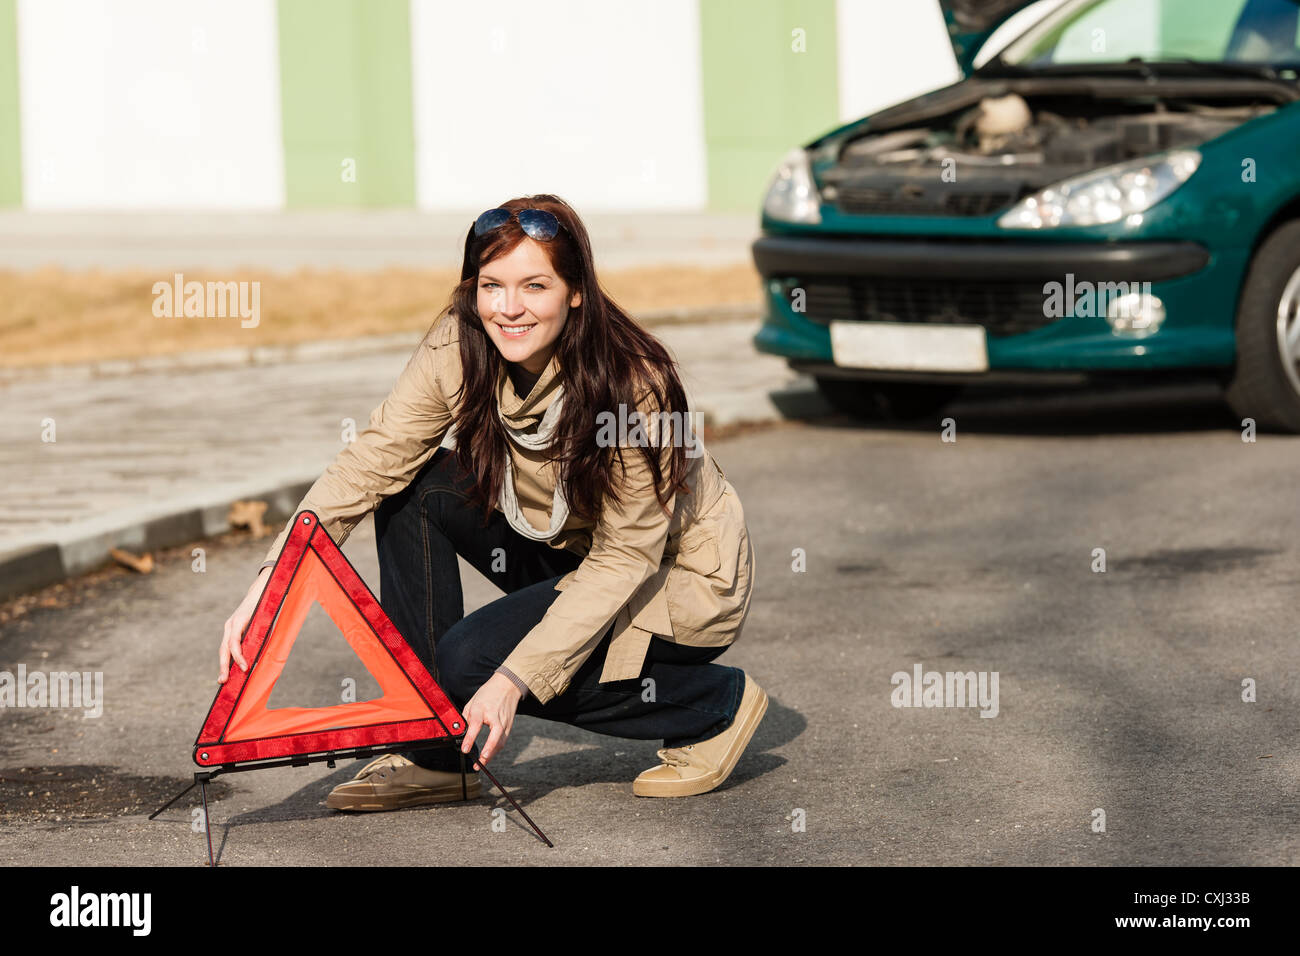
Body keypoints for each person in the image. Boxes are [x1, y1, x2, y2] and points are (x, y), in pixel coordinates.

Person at [217, 194, 765, 808]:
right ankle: (437, 754)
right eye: (491, 285)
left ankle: (714, 706)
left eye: (535, 286)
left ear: (576, 291)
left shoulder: (633, 388)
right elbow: (371, 460)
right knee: (415, 486)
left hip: (674, 576)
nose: (508, 309)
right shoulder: (460, 342)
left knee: (474, 663)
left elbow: (627, 558)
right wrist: (275, 577)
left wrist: (513, 680)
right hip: (570, 550)